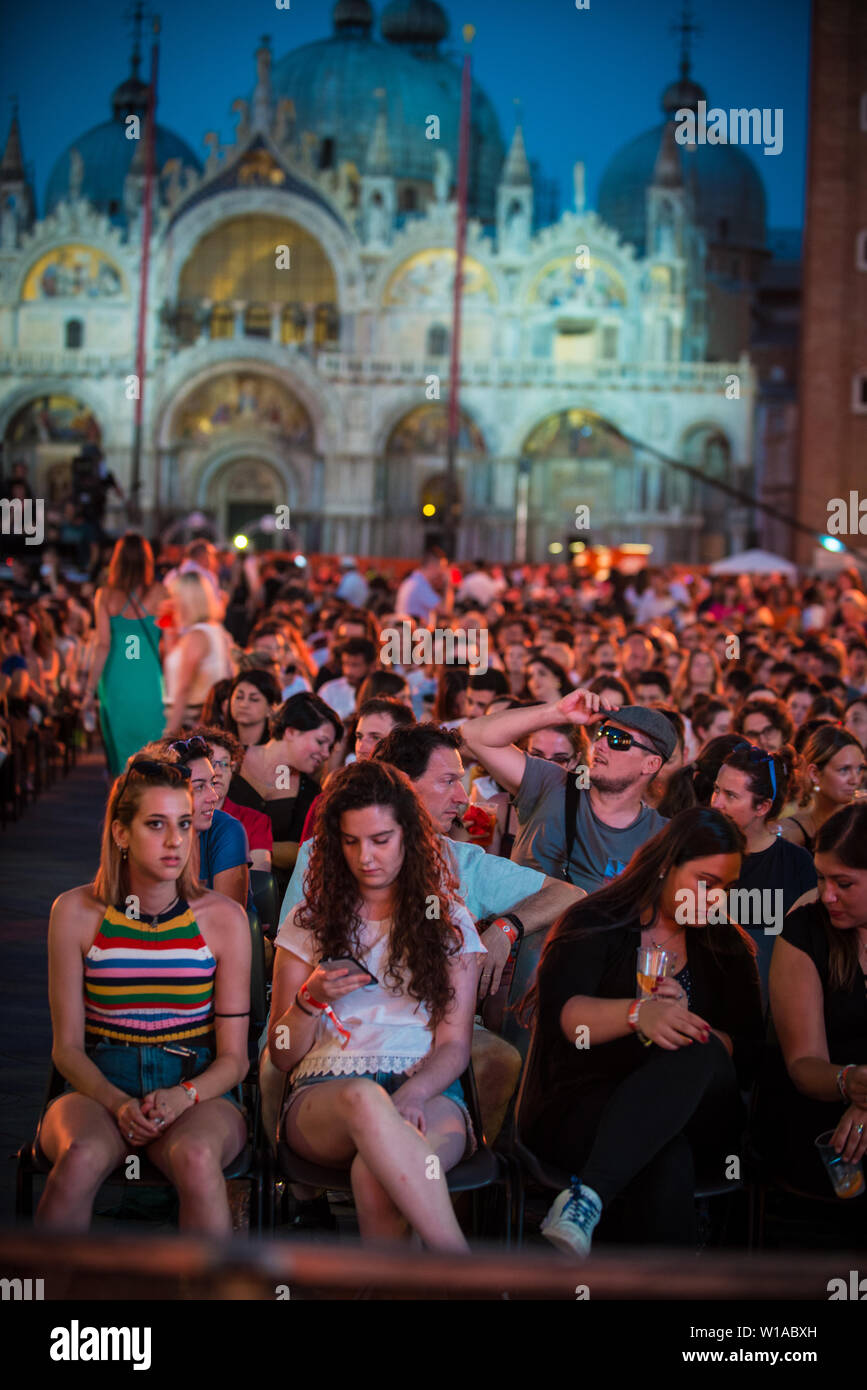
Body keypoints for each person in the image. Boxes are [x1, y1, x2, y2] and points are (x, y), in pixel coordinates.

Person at [519, 809, 763, 1256]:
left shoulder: (725, 944)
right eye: (706, 882)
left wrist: (691, 1025)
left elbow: (749, 1053)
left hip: (699, 1117)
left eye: (726, 889)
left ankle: (585, 1197)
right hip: (588, 1107)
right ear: (666, 864)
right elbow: (568, 1021)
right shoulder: (596, 920)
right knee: (664, 1161)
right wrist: (638, 1014)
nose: (714, 899)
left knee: (698, 1046)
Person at [268, 760, 485, 1250]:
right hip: (328, 1093)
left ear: (409, 835)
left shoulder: (446, 918)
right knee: (365, 1099)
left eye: (380, 839)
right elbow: (281, 1053)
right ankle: (466, 1274)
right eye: (351, 841)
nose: (365, 856)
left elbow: (454, 1045)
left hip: (427, 1087)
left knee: (374, 1174)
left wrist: (414, 1093)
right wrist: (309, 1001)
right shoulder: (309, 921)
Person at [35, 758, 250, 1234]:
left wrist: (183, 1096)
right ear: (120, 833)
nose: (175, 841)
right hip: (99, 1082)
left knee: (196, 1158)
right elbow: (66, 1050)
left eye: (183, 824)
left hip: (197, 1084)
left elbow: (236, 1059)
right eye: (156, 825)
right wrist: (117, 1103)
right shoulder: (73, 912)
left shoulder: (223, 918)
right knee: (80, 1156)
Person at [461, 691, 673, 892]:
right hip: (516, 929)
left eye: (618, 739)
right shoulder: (552, 783)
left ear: (651, 764)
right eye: (602, 733)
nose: (600, 745)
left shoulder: (662, 837)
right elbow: (472, 735)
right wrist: (556, 712)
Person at [761, 804, 867, 1195]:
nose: (827, 896)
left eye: (844, 883)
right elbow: (805, 1064)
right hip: (821, 1107)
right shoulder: (805, 930)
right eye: (821, 879)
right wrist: (852, 1083)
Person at [710, 743, 816, 1001]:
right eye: (716, 790)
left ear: (763, 807)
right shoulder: (696, 854)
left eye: (731, 795)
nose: (716, 803)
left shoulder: (797, 865)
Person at [228, 692, 342, 898]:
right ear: (291, 732)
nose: (326, 753)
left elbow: (298, 850)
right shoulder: (232, 760)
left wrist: (241, 843)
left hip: (270, 895)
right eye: (320, 742)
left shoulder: (309, 791)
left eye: (330, 747)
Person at [82, 533, 167, 776]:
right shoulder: (162, 593)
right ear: (147, 561)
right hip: (149, 678)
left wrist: (89, 690)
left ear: (116, 561)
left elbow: (102, 645)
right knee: (153, 745)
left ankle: (122, 798)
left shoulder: (105, 596)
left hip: (116, 679)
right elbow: (170, 643)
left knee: (120, 748)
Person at [143, 735, 251, 909]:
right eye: (199, 786)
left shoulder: (228, 830)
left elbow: (225, 922)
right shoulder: (145, 830)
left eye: (213, 783)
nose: (214, 796)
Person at [191, 723, 272, 872]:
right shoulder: (178, 817)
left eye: (224, 764)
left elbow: (259, 880)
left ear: (232, 770)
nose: (217, 772)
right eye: (210, 762)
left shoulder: (256, 821)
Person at [163, 572, 234, 735]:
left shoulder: (197, 635)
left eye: (175, 597)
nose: (171, 603)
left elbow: (184, 687)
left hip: (191, 721)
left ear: (186, 601)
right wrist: (170, 630)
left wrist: (170, 731)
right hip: (204, 718)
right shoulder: (214, 630)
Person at [779, 725, 864, 852]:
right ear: (814, 773)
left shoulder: (860, 818)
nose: (855, 780)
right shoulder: (790, 832)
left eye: (859, 769)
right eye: (844, 770)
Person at [317, 637, 378, 719]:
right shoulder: (329, 690)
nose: (348, 671)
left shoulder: (380, 692)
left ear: (371, 666)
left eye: (355, 665)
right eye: (345, 664)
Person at [224, 668, 282, 748]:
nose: (243, 704)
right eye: (239, 697)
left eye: (254, 699)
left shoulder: (277, 750)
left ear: (271, 708)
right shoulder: (221, 748)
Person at [395, 547, 452, 626]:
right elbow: (445, 611)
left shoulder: (414, 580)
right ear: (432, 566)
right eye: (442, 567)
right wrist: (447, 584)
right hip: (416, 635)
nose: (443, 572)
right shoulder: (420, 585)